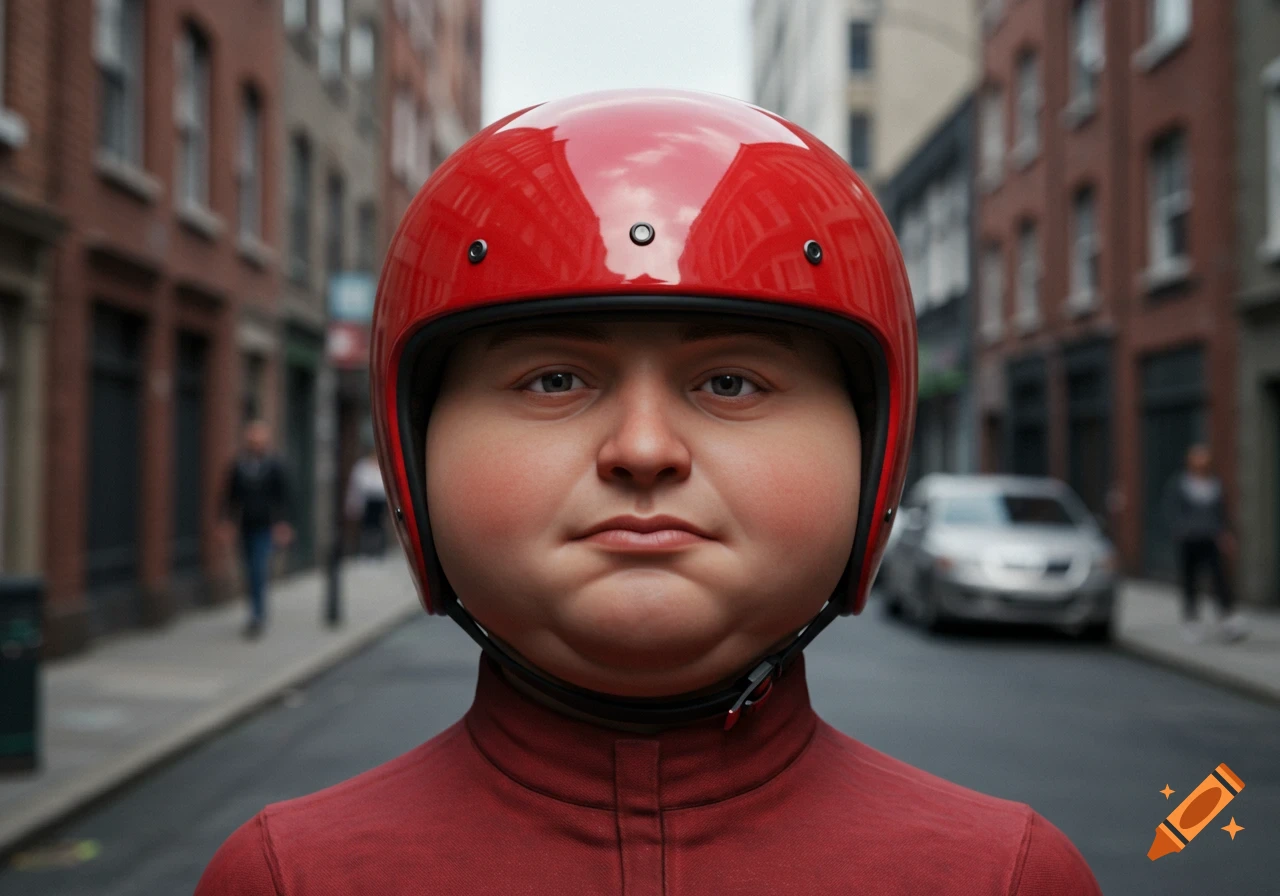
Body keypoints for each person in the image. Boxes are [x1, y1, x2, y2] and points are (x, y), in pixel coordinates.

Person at [196, 90, 1101, 894]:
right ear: (413, 448)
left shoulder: (1007, 878)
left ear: (873, 452)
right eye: (553, 380)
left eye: (732, 383)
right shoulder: (285, 879)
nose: (642, 449)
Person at [1163, 444, 1247, 644]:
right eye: (1197, 459)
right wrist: (1180, 530)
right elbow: (1171, 510)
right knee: (1190, 580)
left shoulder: (1215, 485)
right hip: (1189, 541)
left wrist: (1226, 534)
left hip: (1211, 539)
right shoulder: (1180, 484)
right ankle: (1191, 620)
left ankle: (1227, 619)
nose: (1201, 463)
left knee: (1219, 578)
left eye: (1205, 459)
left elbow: (1221, 513)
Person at [219, 420, 294, 639]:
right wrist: (226, 521)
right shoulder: (239, 466)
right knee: (249, 570)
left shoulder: (275, 466)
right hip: (245, 525)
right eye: (253, 440)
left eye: (260, 441)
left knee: (258, 568)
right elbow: (229, 496)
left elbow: (284, 497)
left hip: (266, 526)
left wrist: (283, 524)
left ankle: (258, 615)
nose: (256, 444)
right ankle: (255, 610)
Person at [345, 445, 389, 557]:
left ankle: (379, 550)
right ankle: (366, 550)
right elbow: (356, 486)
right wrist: (353, 504)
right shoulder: (362, 467)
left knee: (379, 527)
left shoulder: (384, 466)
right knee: (368, 527)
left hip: (381, 503)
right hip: (367, 503)